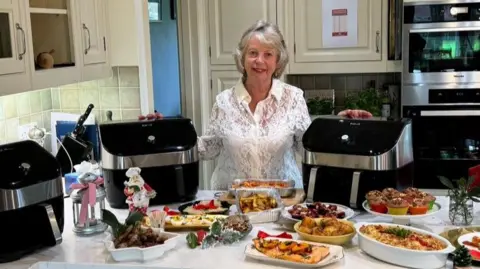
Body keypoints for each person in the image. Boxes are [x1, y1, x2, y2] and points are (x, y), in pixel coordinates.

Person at [145, 20, 372, 190]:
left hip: (282, 204)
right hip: (231, 206)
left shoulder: (293, 98)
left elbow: (309, 148)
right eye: (252, 53)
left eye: (268, 54)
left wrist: (338, 125)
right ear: (242, 59)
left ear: (278, 61)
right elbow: (209, 147)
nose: (259, 61)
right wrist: (167, 132)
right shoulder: (224, 101)